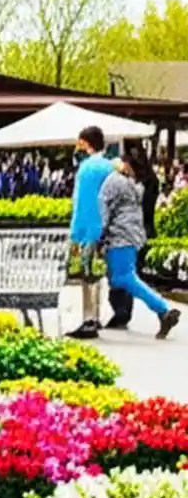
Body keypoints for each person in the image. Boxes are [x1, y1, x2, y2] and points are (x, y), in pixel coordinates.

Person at [99, 155, 180, 338]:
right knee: (120, 278)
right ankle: (125, 314)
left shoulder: (113, 181)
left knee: (123, 278)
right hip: (133, 236)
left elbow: (103, 209)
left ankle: (163, 309)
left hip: (119, 236)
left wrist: (99, 236)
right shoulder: (134, 185)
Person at [66, 127, 115, 339]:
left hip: (89, 229)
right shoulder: (111, 167)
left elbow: (81, 203)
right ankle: (96, 315)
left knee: (87, 276)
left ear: (87, 143)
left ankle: (88, 320)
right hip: (109, 229)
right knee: (100, 274)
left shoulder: (86, 169)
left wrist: (75, 234)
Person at [106, 144, 159, 329]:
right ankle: (123, 312)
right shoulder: (150, 180)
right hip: (144, 230)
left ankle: (124, 312)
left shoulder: (130, 183)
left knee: (123, 275)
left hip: (127, 231)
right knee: (129, 272)